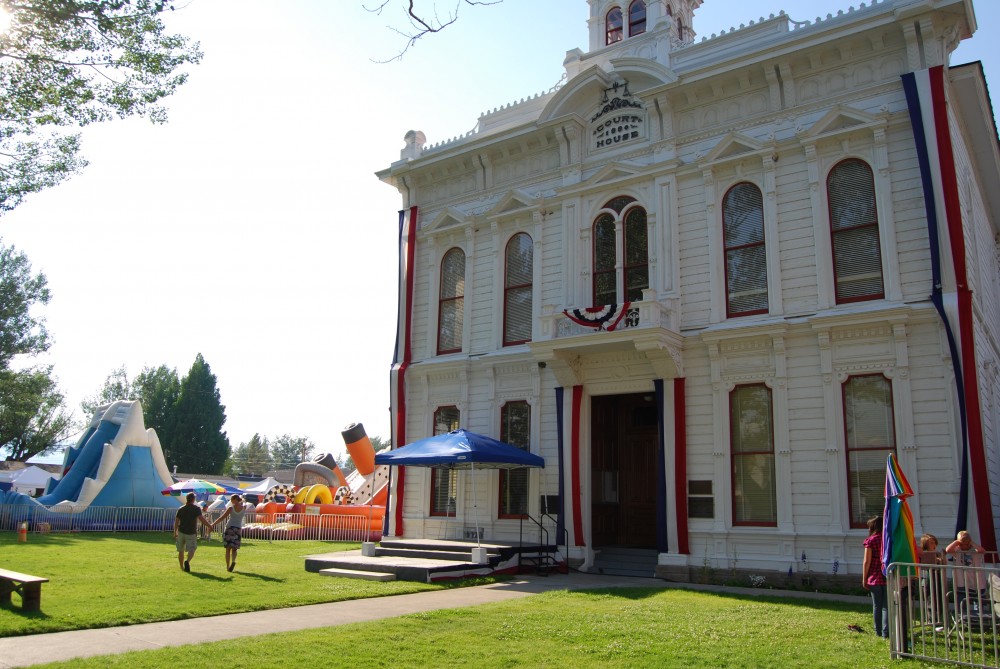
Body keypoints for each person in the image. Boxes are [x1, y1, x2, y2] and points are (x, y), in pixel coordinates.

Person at [862, 514, 889, 638]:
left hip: (874, 577)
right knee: (886, 607)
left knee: (877, 606)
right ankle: (886, 632)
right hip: (887, 576)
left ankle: (878, 631)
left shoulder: (871, 540)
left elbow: (867, 561)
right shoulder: (888, 539)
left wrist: (864, 578)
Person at [173, 492, 212, 572]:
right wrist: (209, 525)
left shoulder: (181, 509)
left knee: (181, 550)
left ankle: (181, 567)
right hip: (191, 532)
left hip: (181, 531)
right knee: (192, 549)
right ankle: (187, 561)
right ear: (193, 500)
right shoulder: (196, 509)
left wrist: (175, 531)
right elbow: (201, 519)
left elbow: (176, 521)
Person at [212, 494, 249, 573]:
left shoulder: (231, 508)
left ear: (235, 499)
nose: (231, 502)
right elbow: (245, 503)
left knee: (228, 549)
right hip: (238, 529)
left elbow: (221, 518)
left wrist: (212, 524)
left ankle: (228, 566)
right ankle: (233, 561)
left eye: (232, 500)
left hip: (230, 528)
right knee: (234, 549)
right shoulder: (244, 508)